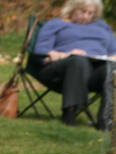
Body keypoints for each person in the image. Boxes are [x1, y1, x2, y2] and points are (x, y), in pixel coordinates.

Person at [32, 0, 116, 129]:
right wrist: (68, 54)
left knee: (111, 69)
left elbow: (113, 52)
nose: (86, 16)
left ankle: (105, 121)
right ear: (72, 8)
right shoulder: (56, 24)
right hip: (61, 68)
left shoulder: (103, 27)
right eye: (83, 11)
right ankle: (70, 114)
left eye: (91, 13)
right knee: (78, 60)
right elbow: (41, 51)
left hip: (95, 70)